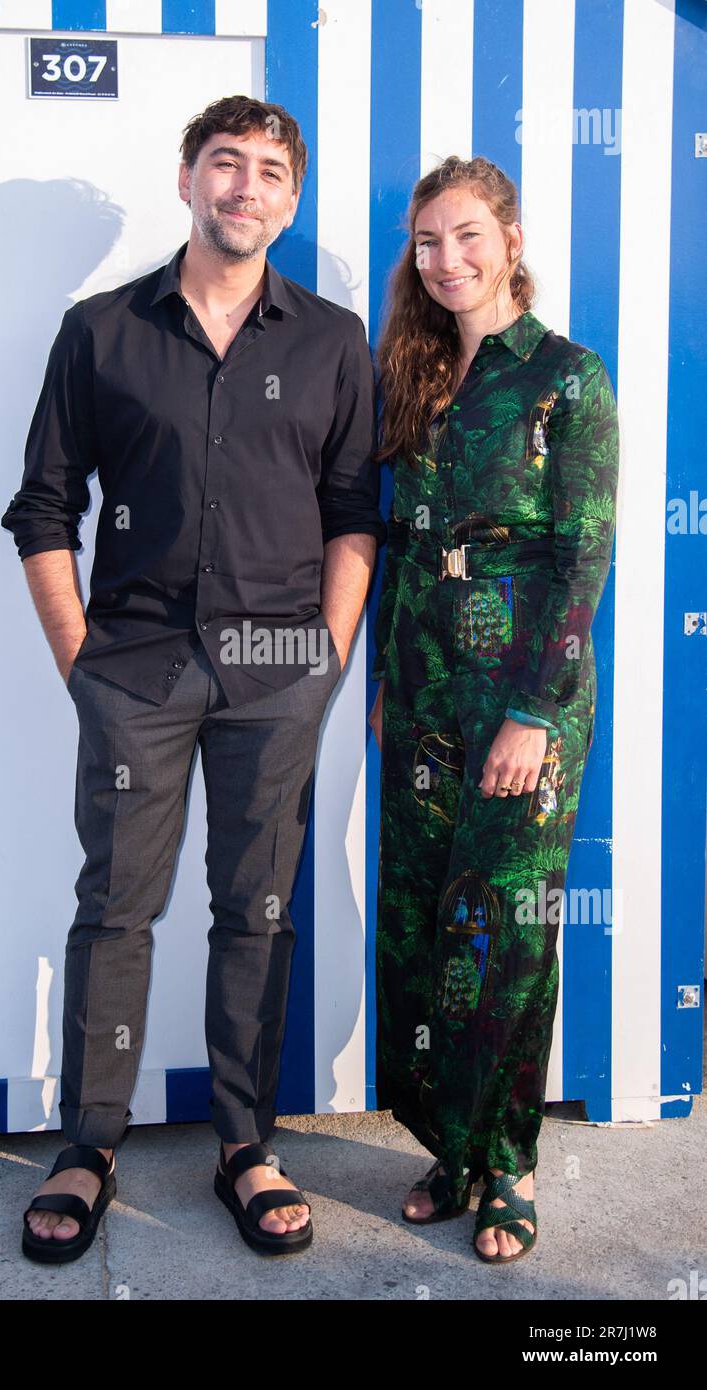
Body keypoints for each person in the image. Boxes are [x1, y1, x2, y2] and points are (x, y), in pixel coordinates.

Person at [1, 94, 386, 1262]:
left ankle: (243, 1142)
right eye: (226, 163)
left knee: (253, 913)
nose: (245, 187)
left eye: (271, 171)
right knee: (115, 907)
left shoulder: (331, 341)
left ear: (290, 198)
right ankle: (88, 1144)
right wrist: (86, 668)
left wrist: (316, 661)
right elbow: (43, 509)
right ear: (187, 178)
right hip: (137, 671)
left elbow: (353, 517)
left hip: (277, 677)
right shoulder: (100, 332)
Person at [367, 155, 619, 1263]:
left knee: (505, 932)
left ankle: (508, 1164)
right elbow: (400, 543)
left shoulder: (567, 377)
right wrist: (384, 679)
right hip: (420, 692)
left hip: (526, 702)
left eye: (466, 235)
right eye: (427, 242)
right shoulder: (414, 372)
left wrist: (531, 712)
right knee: (424, 922)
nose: (447, 259)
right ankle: (449, 1147)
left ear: (509, 240)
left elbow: (580, 561)